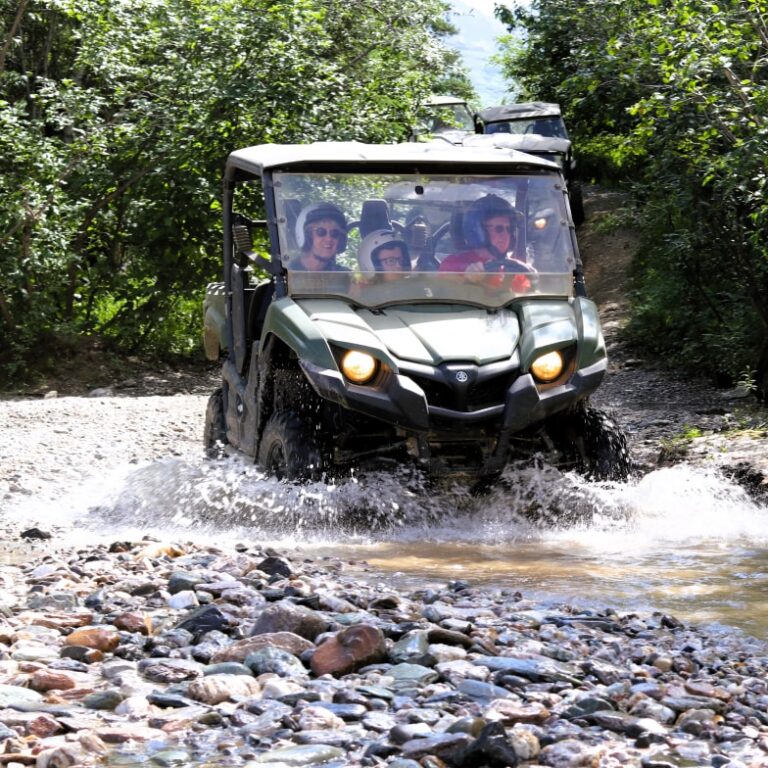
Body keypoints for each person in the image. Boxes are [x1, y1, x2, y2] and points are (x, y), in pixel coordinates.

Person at [439, 194, 530, 277]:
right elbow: (445, 289)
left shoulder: (514, 268)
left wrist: (533, 278)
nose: (506, 235)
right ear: (478, 230)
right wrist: (466, 278)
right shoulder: (452, 265)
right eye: (499, 229)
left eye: (509, 229)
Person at [288, 202, 349, 271]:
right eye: (321, 232)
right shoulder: (284, 273)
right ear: (307, 235)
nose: (329, 239)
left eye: (334, 233)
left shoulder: (345, 277)